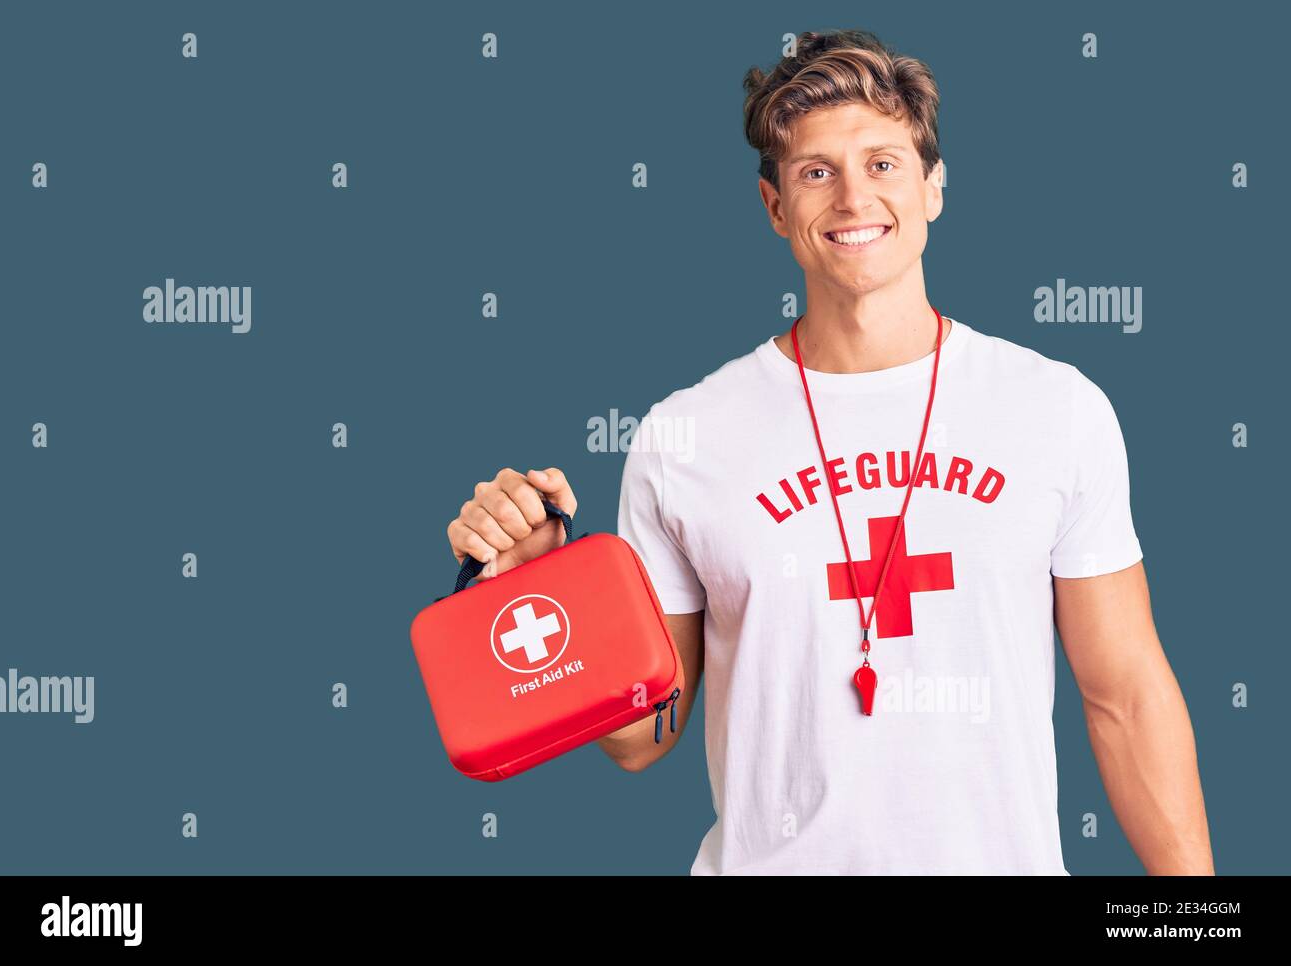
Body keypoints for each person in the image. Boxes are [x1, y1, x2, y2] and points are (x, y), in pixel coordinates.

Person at [446, 29, 1213, 875]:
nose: (854, 197)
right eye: (817, 171)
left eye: (883, 163)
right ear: (776, 207)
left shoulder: (1056, 408)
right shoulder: (682, 437)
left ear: (933, 189)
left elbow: (1125, 698)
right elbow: (640, 736)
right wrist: (539, 581)